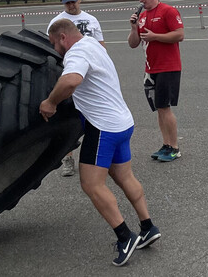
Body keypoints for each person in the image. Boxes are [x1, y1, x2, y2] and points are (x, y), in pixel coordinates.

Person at [41, 18, 161, 267]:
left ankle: (125, 237)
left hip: (103, 128)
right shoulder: (93, 44)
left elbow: (71, 80)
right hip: (123, 123)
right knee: (124, 176)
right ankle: (148, 227)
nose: (55, 50)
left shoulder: (77, 51)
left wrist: (50, 102)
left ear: (63, 37)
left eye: (55, 44)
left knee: (91, 184)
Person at [49, 0, 105, 177]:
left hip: (90, 78)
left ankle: (96, 157)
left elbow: (101, 46)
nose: (71, 5)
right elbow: (53, 50)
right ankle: (67, 159)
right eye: (67, 2)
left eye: (73, 1)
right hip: (70, 73)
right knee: (68, 117)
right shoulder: (57, 22)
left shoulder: (91, 20)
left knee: (93, 116)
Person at [127, 0, 185, 163]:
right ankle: (166, 144)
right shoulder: (142, 16)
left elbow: (180, 35)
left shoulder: (168, 11)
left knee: (165, 107)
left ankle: (175, 147)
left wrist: (156, 37)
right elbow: (133, 43)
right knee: (159, 108)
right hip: (150, 68)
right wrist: (133, 27)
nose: (141, 0)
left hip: (168, 67)